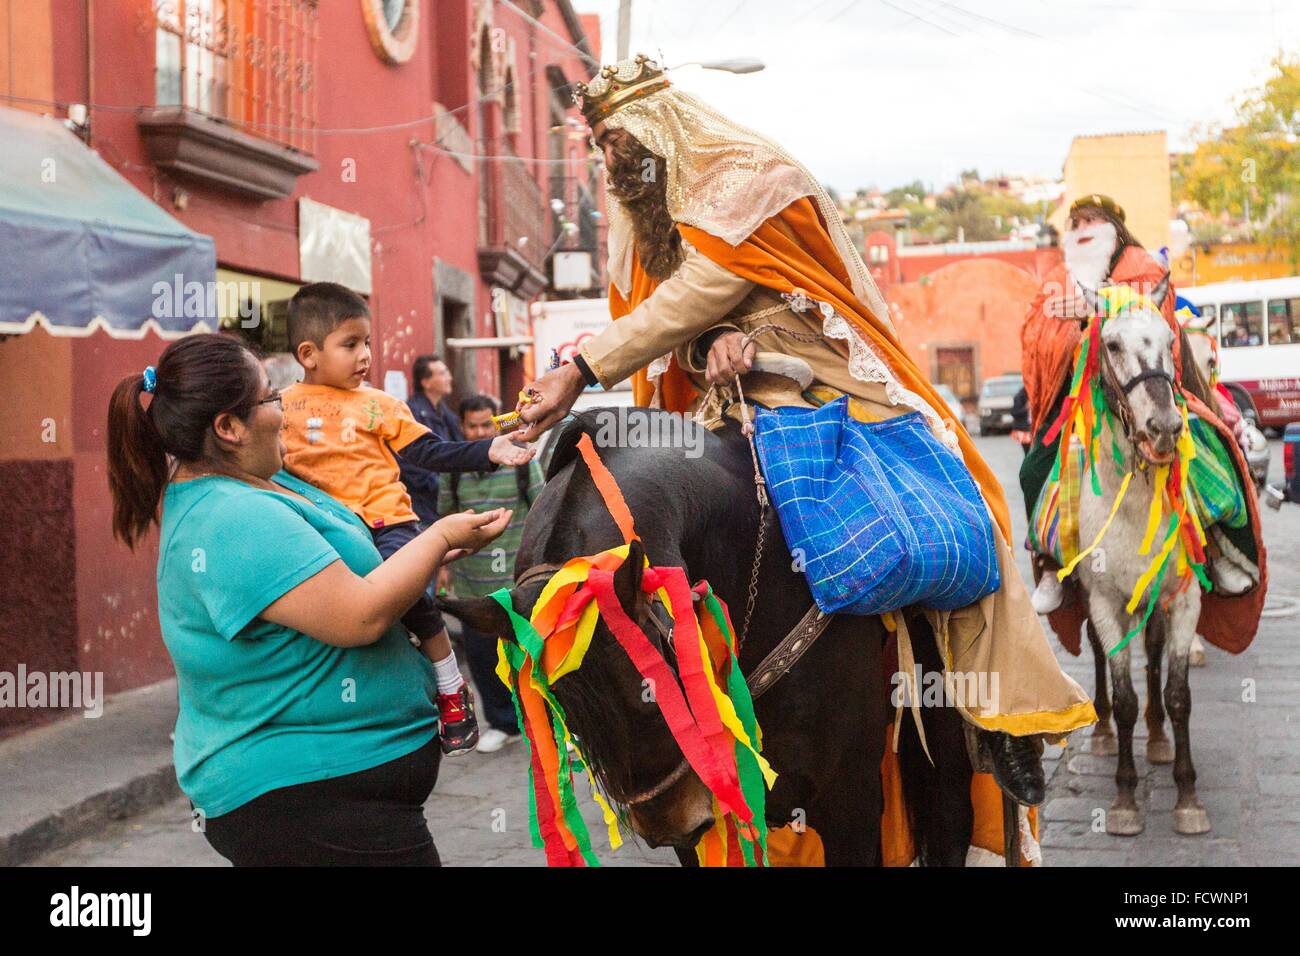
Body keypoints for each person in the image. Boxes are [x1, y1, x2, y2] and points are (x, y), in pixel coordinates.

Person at [515, 54, 1096, 812]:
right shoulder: (651, 222)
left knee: (961, 507)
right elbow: (680, 317)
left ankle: (997, 717)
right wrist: (708, 347)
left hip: (826, 376)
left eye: (619, 141)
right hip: (725, 399)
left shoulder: (755, 179)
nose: (609, 160)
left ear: (662, 128)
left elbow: (701, 289)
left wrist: (582, 369)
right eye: (600, 147)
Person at [105, 332, 513, 865]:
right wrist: (440, 538)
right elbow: (360, 616)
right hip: (308, 799)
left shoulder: (261, 482)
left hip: (343, 794)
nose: (288, 412)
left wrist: (422, 561)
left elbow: (344, 570)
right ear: (227, 428)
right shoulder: (229, 517)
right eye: (272, 398)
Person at [279, 282, 535, 755]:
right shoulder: (281, 408)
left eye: (368, 343)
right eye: (351, 344)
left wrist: (488, 449)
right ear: (309, 354)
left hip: (388, 524)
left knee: (411, 596)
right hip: (323, 529)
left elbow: (428, 452)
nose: (365, 355)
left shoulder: (379, 404)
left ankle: (451, 685)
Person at [1019, 194, 1257, 613]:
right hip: (1082, 395)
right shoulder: (1060, 276)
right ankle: (1051, 564)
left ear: (1114, 226)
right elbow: (1036, 331)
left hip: (1145, 384)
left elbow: (1158, 310)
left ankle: (1216, 552)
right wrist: (1075, 321)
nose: (1082, 227)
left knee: (1208, 448)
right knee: (1033, 468)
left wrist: (1103, 306)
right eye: (1076, 223)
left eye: (1092, 219)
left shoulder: (1143, 265)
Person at [438, 394, 545, 753]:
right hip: (473, 586)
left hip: (520, 584)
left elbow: (543, 510)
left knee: (534, 656)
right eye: (473, 425)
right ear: (462, 427)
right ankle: (502, 723)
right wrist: (442, 569)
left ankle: (551, 723)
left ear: (497, 424)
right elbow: (443, 523)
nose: (480, 431)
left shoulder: (520, 463)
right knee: (484, 659)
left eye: (487, 424)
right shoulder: (452, 471)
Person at [401, 354, 466, 525]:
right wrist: (446, 487)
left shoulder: (446, 414)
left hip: (442, 505)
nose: (449, 377)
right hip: (422, 507)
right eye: (443, 373)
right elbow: (410, 465)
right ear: (426, 382)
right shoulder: (412, 414)